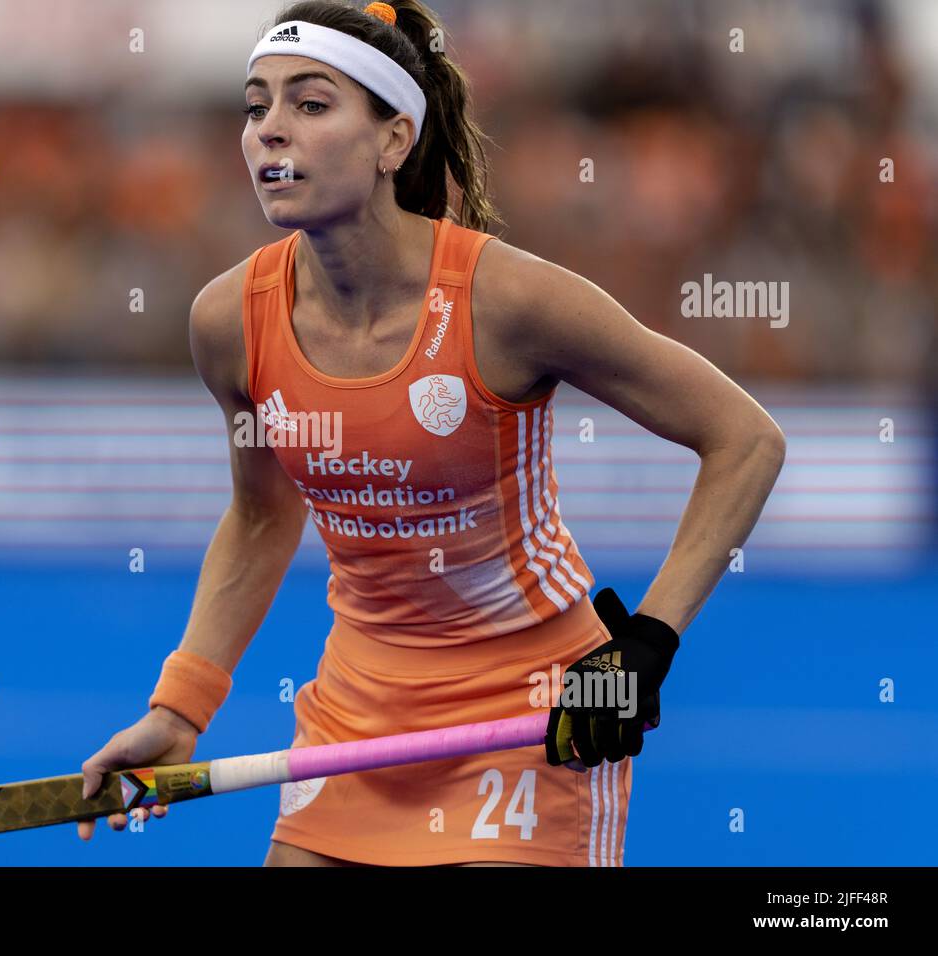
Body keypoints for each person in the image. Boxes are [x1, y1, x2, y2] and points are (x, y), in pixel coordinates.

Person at [78, 0, 784, 866]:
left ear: (393, 140)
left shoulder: (509, 302)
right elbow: (263, 516)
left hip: (533, 712)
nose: (269, 132)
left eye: (310, 103)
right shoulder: (229, 321)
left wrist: (646, 643)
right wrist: (179, 708)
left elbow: (745, 439)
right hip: (355, 714)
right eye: (255, 105)